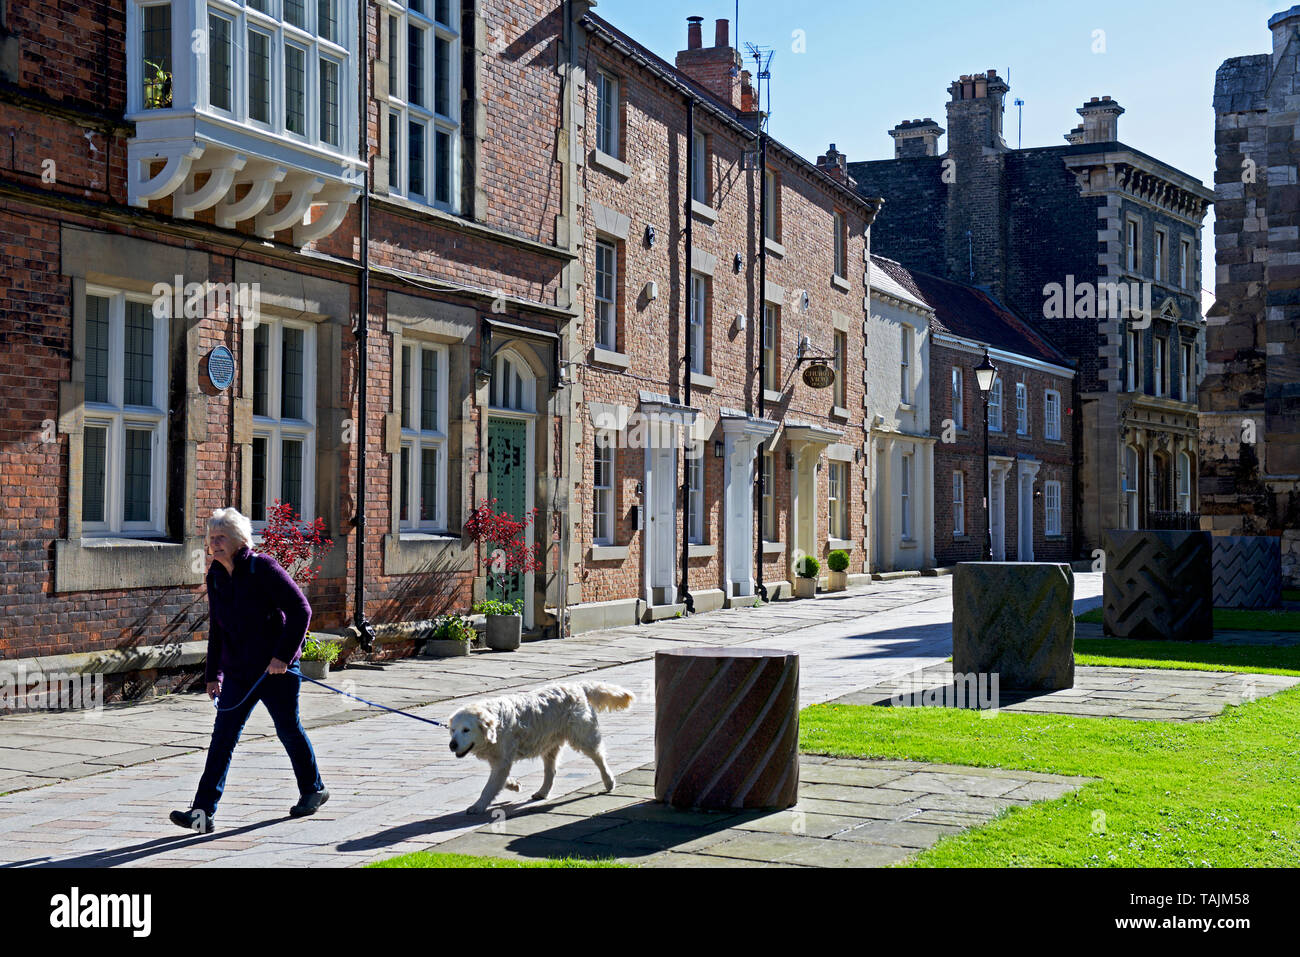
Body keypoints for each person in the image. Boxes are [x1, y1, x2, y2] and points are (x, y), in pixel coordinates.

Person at [170, 507, 329, 833]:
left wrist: (283, 656)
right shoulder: (215, 575)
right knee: (222, 739)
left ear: (240, 540)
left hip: (276, 671)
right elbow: (219, 627)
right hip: (239, 672)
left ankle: (313, 789)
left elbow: (301, 610)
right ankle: (202, 814)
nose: (215, 544)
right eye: (211, 538)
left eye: (221, 537)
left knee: (288, 728)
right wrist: (213, 674)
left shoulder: (263, 568)